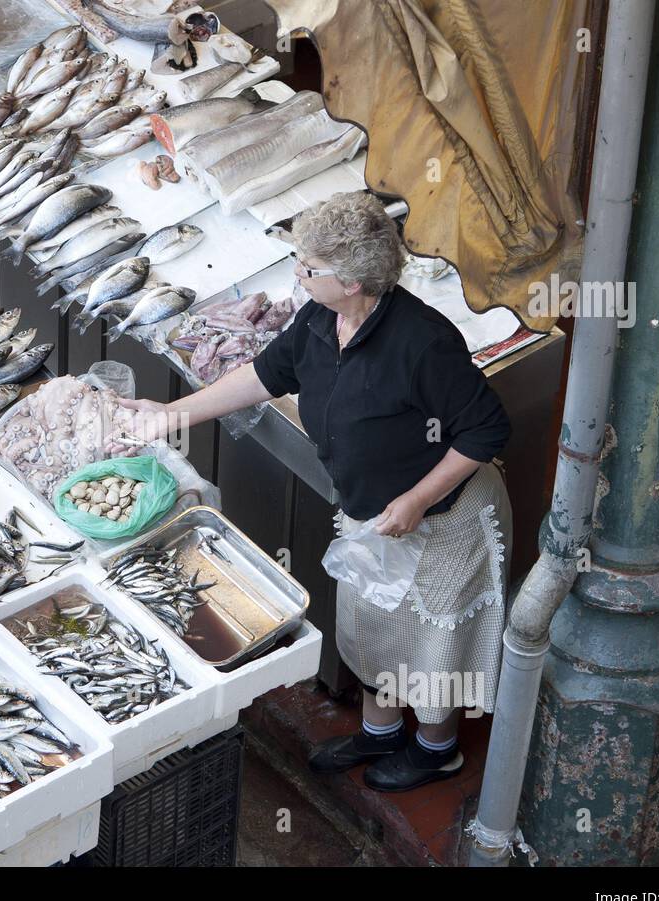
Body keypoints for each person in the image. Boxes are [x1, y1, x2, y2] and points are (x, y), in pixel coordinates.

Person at [120, 193, 512, 792]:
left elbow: (485, 431)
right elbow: (264, 375)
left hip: (444, 516)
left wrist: (414, 500)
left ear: (351, 281)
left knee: (434, 640)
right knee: (374, 624)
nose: (296, 275)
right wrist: (173, 413)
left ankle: (438, 749)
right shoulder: (318, 320)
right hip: (373, 513)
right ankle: (380, 732)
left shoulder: (423, 344)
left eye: (308, 268)